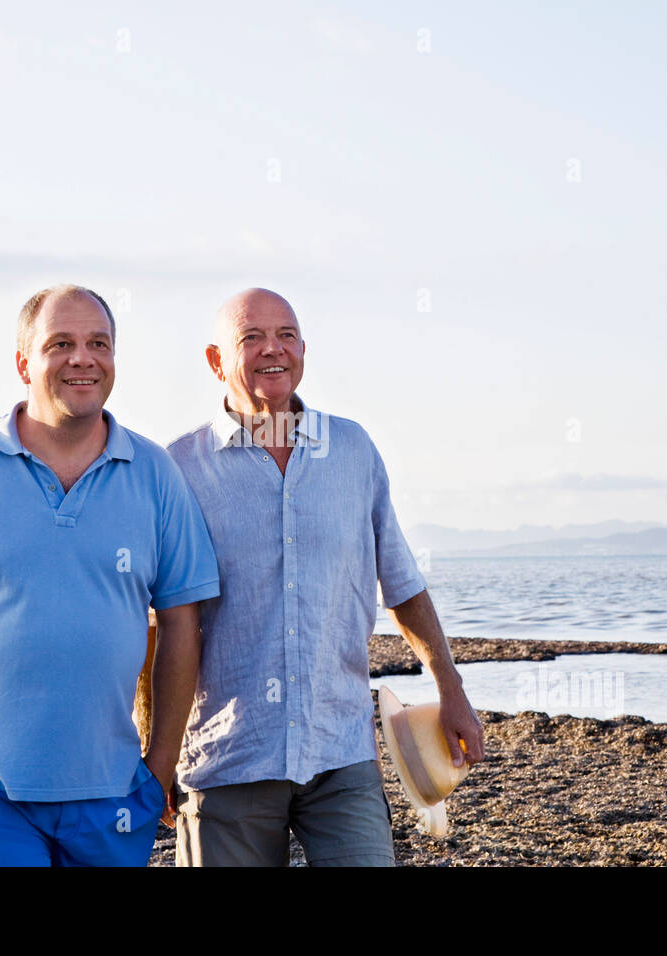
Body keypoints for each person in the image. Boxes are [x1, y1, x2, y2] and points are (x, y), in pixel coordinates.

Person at [0, 284, 219, 867]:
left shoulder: (155, 473)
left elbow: (182, 619)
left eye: (98, 343)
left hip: (111, 793)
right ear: (23, 362)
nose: (82, 358)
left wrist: (160, 762)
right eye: (61, 343)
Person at [165, 287, 484, 867]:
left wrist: (451, 689)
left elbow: (403, 585)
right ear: (216, 361)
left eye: (286, 335)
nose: (273, 350)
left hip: (340, 748)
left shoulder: (354, 451)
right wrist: (155, 749)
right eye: (251, 338)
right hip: (229, 755)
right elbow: (157, 622)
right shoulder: (179, 468)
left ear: (304, 349)